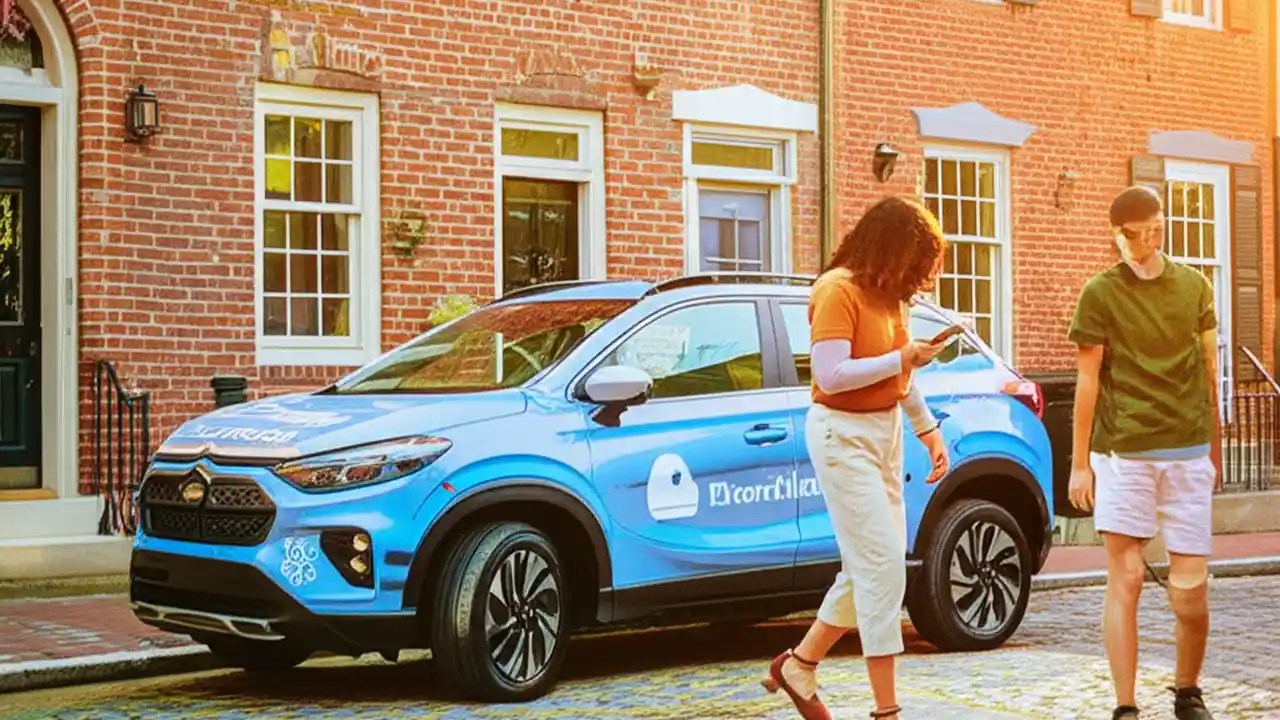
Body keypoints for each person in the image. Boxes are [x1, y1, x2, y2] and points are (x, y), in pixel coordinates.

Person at [762, 196, 951, 720]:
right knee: (884, 567)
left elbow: (900, 376)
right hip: (841, 436)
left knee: (868, 566)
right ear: (889, 247)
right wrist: (902, 357)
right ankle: (887, 710)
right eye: (914, 262)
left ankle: (799, 665)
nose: (917, 276)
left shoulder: (892, 297)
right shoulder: (836, 290)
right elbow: (831, 375)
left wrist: (927, 429)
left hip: (885, 433)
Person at [1067, 185, 1221, 720]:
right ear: (1117, 235)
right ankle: (1126, 705)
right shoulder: (1100, 293)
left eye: (1154, 231)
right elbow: (1087, 382)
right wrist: (1079, 463)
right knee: (1127, 578)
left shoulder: (1195, 287)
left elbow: (1208, 372)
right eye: (1134, 234)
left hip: (1187, 450)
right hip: (1123, 453)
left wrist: (1214, 449)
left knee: (1190, 590)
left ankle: (1188, 689)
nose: (1145, 242)